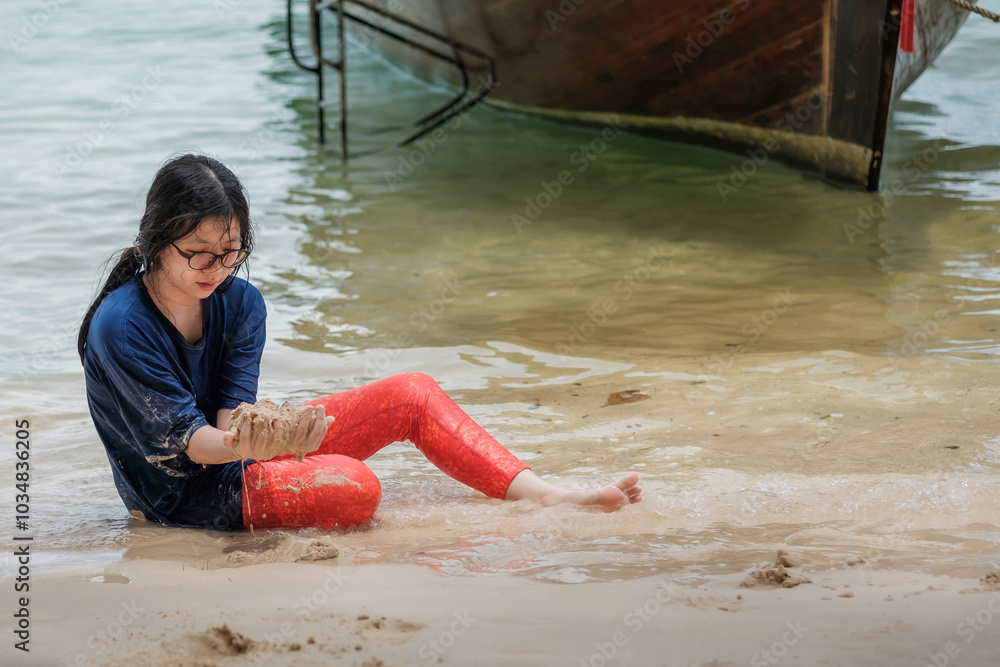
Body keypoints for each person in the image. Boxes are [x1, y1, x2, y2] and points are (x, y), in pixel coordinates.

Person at [78, 154, 642, 531]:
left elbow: (229, 421)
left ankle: (543, 494)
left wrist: (262, 437)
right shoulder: (120, 325)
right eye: (199, 253)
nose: (217, 268)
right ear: (158, 239)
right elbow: (190, 447)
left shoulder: (241, 302)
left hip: (231, 454)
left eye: (232, 253)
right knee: (355, 485)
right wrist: (263, 447)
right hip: (180, 495)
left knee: (413, 393)